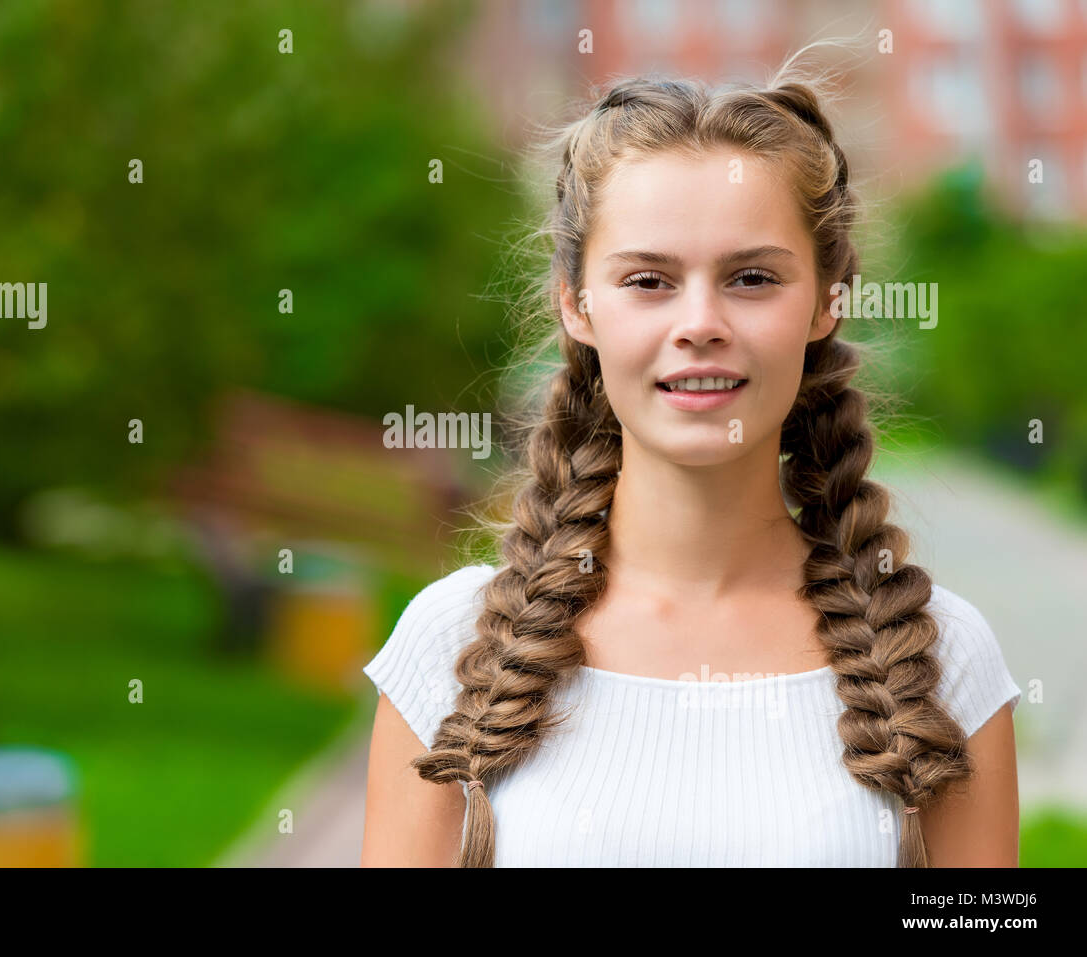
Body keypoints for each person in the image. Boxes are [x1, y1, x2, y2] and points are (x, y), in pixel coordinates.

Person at [361, 46, 1021, 868]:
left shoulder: (941, 659)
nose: (700, 321)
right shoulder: (452, 646)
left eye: (751, 277)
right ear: (576, 303)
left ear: (826, 302)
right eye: (648, 280)